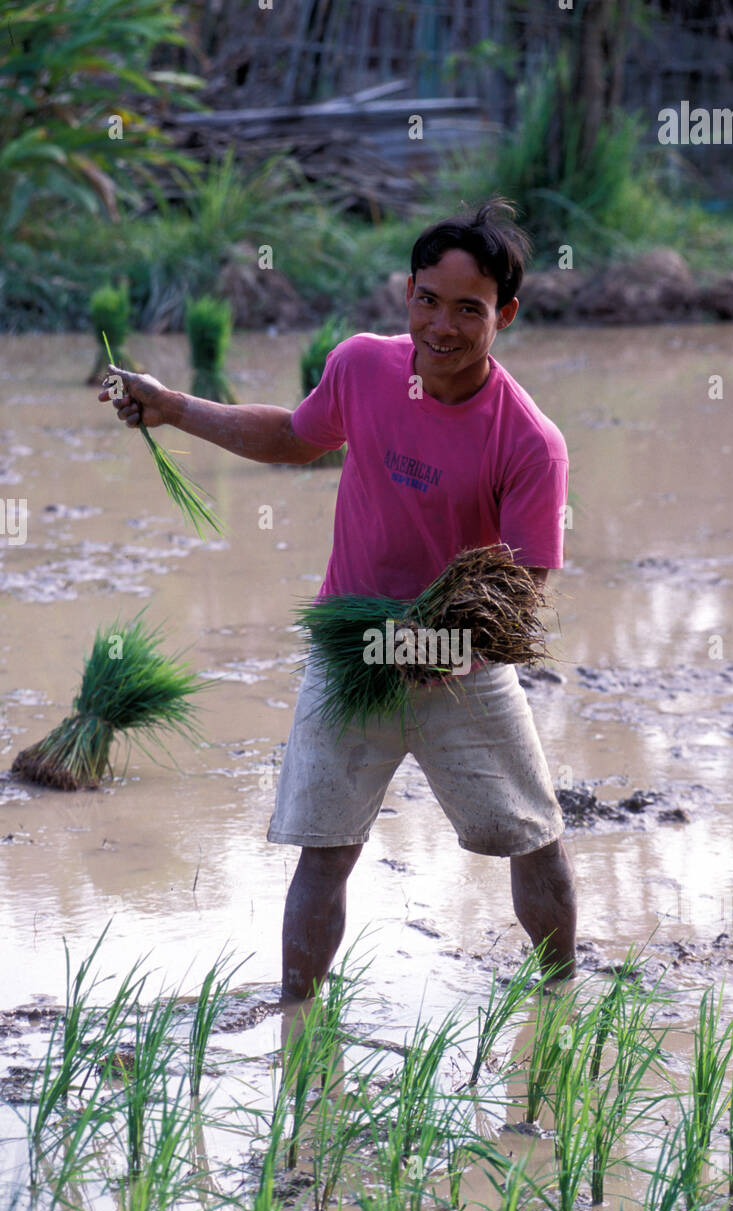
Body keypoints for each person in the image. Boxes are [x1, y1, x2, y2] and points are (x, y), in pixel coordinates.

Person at [99, 197, 577, 1000]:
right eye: (429, 299)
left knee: (531, 837)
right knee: (325, 848)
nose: (444, 327)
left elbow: (524, 593)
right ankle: (297, 1019)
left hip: (464, 662)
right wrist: (175, 406)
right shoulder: (361, 366)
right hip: (350, 646)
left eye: (470, 309)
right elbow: (293, 437)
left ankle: (564, 1003)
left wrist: (440, 648)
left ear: (506, 315)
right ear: (408, 296)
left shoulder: (528, 440)